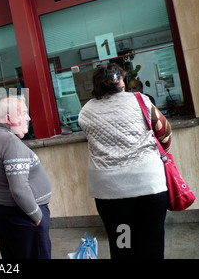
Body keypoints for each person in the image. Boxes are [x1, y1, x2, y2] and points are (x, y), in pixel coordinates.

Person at [78, 63, 172, 259]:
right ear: (120, 82)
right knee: (151, 242)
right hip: (148, 184)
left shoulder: (85, 111)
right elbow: (164, 131)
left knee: (123, 244)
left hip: (110, 191)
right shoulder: (141, 100)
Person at [0, 96, 52, 259]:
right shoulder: (9, 141)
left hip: (1, 212)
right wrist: (37, 215)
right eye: (24, 113)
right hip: (21, 216)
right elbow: (19, 189)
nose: (28, 117)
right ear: (9, 118)